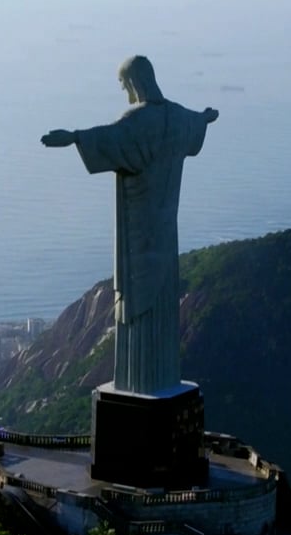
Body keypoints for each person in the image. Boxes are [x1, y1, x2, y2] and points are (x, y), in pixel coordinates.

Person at [42, 56, 217, 396]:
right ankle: (162, 376)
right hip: (165, 232)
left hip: (138, 234)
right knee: (162, 301)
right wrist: (206, 118)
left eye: (124, 85)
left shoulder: (137, 121)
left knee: (138, 304)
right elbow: (196, 123)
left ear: (135, 82)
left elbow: (112, 138)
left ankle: (139, 380)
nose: (125, 92)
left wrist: (74, 137)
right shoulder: (179, 117)